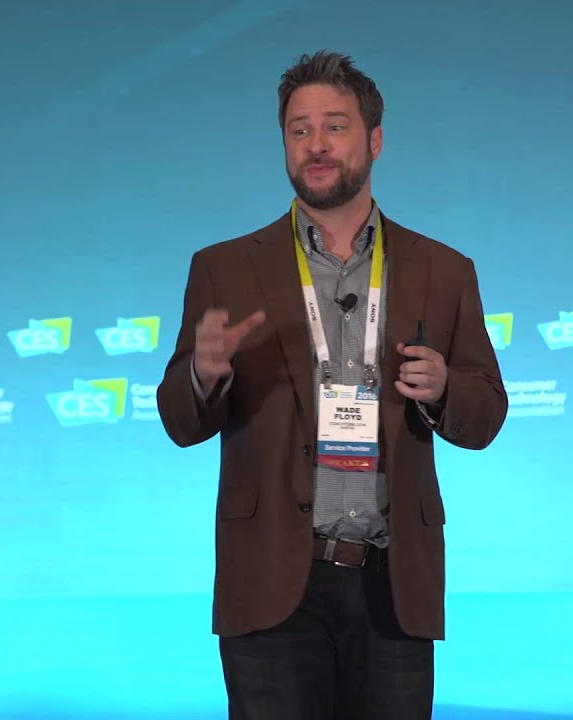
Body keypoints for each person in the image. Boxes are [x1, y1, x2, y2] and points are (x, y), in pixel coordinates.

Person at [157, 49, 508, 720]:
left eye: (335, 127)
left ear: (374, 141)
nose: (315, 144)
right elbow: (179, 420)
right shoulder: (225, 268)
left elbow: (486, 412)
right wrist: (203, 374)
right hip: (270, 584)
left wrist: (442, 387)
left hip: (393, 585)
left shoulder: (443, 269)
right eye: (299, 130)